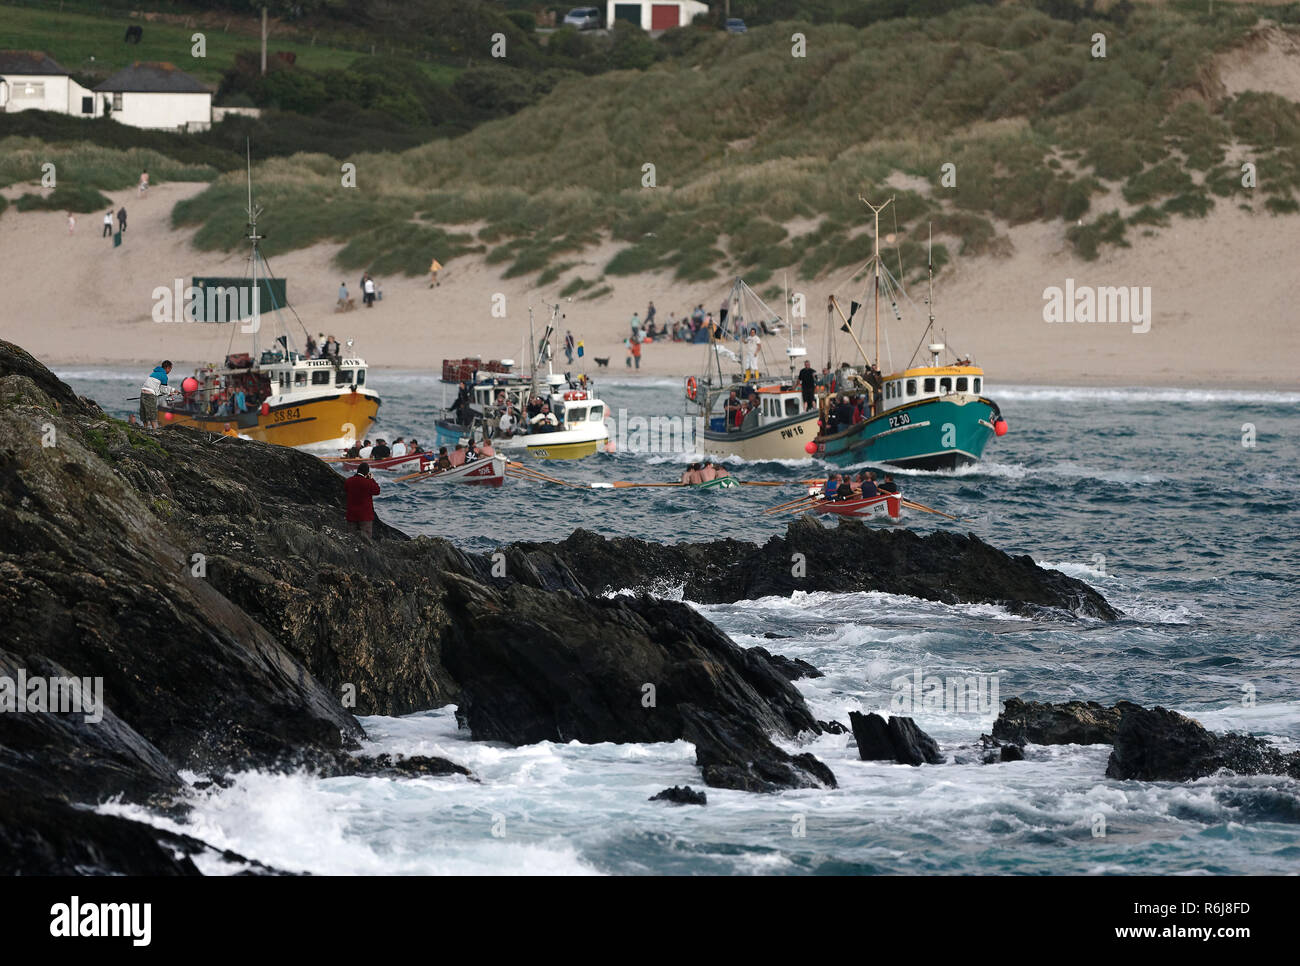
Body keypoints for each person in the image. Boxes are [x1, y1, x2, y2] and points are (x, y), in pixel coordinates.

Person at [344, 463, 381, 538]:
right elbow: (377, 491)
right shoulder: (368, 483)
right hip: (365, 516)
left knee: (351, 538)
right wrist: (371, 479)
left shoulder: (348, 481)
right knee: (366, 539)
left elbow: (345, 489)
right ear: (367, 473)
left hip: (351, 514)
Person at [138, 360, 176, 429]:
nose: (170, 371)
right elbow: (163, 389)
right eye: (170, 369)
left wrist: (172, 390)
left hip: (143, 393)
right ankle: (155, 430)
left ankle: (145, 428)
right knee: (153, 415)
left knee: (144, 414)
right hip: (150, 395)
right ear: (168, 368)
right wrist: (170, 393)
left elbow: (156, 387)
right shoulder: (164, 376)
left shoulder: (154, 373)